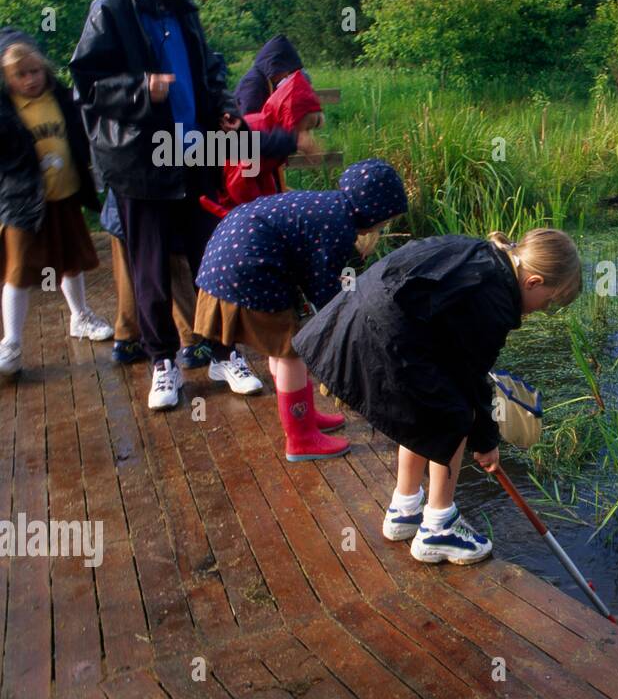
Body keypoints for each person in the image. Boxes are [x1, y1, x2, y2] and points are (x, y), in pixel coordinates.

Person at [293, 227, 580, 564]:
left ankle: (405, 509)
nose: (537, 313)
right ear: (532, 282)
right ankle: (438, 527)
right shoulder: (497, 299)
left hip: (361, 315)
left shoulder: (481, 253)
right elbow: (471, 382)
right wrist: (486, 442)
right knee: (456, 413)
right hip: (378, 331)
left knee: (427, 402)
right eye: (546, 304)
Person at [69, 0, 253, 409]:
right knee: (148, 266)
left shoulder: (185, 11)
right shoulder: (110, 11)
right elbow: (85, 85)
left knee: (212, 259)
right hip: (140, 162)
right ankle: (163, 363)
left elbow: (210, 70)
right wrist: (139, 90)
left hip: (195, 154)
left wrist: (225, 110)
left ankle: (224, 352)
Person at [194, 158, 408, 461]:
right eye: (385, 220)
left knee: (280, 346)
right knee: (293, 352)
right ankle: (301, 438)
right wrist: (348, 327)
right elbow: (324, 292)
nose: (383, 227)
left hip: (229, 257)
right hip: (249, 269)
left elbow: (312, 268)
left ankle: (303, 417)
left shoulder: (331, 206)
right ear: (374, 210)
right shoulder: (340, 226)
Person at [0, 29, 112, 378]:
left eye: (36, 71)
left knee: (70, 260)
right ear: (7, 77)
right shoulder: (4, 111)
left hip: (64, 193)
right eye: (21, 74)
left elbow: (85, 132)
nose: (31, 79)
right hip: (22, 201)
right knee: (18, 270)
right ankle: (12, 341)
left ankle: (80, 317)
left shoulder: (62, 98)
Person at [100, 188, 209, 366]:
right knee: (171, 266)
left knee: (131, 272)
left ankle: (127, 338)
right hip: (156, 199)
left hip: (122, 200)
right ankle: (193, 341)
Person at [210, 69, 321, 212]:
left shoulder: (275, 132)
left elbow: (263, 175)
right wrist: (263, 210)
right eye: (305, 128)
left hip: (244, 200)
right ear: (293, 119)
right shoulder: (260, 130)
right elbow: (239, 183)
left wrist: (273, 202)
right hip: (228, 206)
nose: (306, 135)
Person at [234, 35, 307, 117]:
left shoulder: (267, 81)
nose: (286, 76)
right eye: (286, 70)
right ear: (275, 66)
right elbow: (250, 119)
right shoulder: (253, 83)